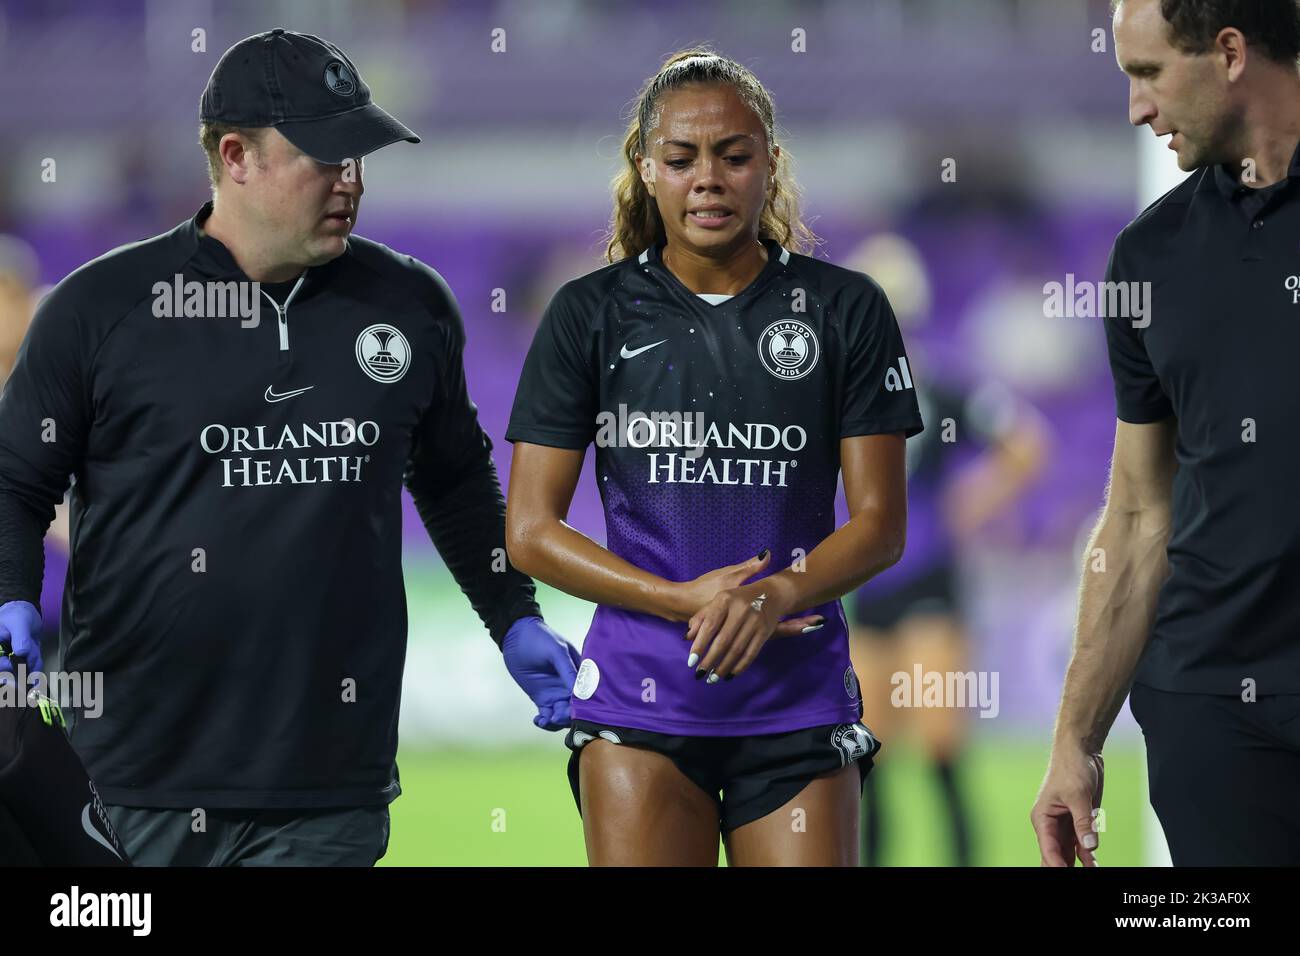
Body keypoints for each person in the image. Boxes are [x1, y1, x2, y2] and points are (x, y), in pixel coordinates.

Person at [0, 29, 578, 866]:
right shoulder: (99, 311)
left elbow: (454, 484)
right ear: (235, 155)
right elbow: (15, 482)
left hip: (329, 784)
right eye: (327, 155)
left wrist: (514, 618)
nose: (351, 179)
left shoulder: (410, 305)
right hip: (129, 782)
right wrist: (14, 591)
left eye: (361, 156)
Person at [505, 49, 923, 866]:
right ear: (645, 167)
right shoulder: (587, 315)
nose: (709, 179)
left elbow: (880, 526)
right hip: (639, 698)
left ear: (769, 165)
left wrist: (773, 598)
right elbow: (527, 530)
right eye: (682, 158)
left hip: (796, 697)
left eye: (734, 156)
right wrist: (677, 599)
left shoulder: (847, 309)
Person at [1032, 0, 1300, 866]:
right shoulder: (1148, 258)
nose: (1137, 108)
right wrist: (1075, 741)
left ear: (1228, 52)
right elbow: (1141, 514)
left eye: (1148, 73)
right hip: (1213, 710)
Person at [844, 237, 1051, 868]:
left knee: (939, 746)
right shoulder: (838, 395)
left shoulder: (938, 387)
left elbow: (1025, 442)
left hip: (931, 581)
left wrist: (971, 504)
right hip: (869, 585)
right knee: (866, 755)